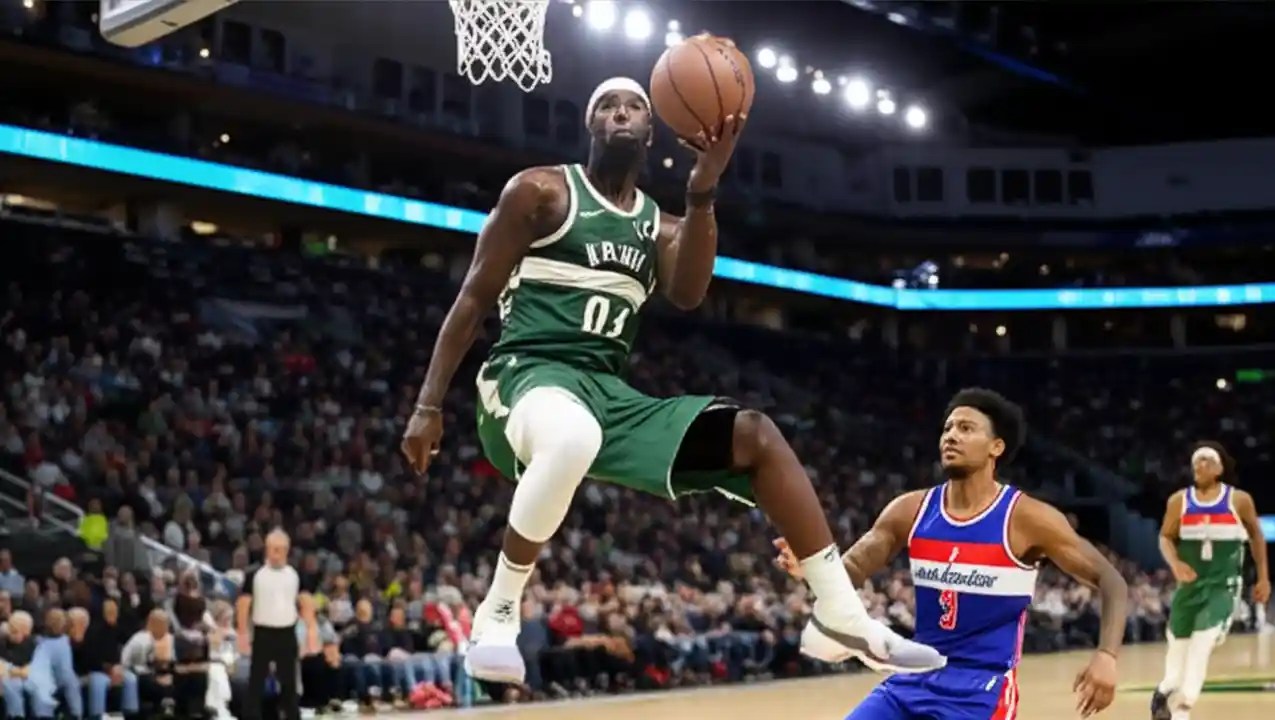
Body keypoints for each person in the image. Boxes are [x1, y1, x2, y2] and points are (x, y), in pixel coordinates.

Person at [399, 75, 945, 684]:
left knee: (754, 436)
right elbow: (473, 297)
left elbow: (688, 294)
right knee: (572, 435)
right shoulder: (540, 192)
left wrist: (703, 191)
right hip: (524, 379)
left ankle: (842, 616)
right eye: (607, 105)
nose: (621, 114)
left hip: (608, 396)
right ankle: (498, 611)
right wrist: (429, 404)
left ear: (652, 130)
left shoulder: (657, 225)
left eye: (634, 106)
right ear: (590, 125)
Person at [774, 388, 1128, 719]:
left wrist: (1107, 657)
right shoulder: (910, 510)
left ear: (996, 447)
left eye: (966, 428)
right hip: (914, 675)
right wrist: (812, 567)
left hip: (981, 688)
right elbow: (851, 570)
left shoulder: (1027, 519)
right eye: (948, 428)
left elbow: (1111, 581)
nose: (951, 436)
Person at [1151, 442, 1271, 720]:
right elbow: (1165, 537)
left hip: (1223, 585)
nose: (1199, 464)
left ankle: (1183, 709)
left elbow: (1256, 536)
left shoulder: (1239, 500)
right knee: (1176, 652)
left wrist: (1263, 577)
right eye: (1196, 461)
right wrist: (1176, 563)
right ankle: (1164, 690)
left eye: (1205, 460)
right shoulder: (1178, 501)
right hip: (1189, 587)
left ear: (1218, 468)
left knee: (1201, 643)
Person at [237, 529, 314, 720]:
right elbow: (243, 604)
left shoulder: (295, 574)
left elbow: (305, 601)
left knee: (289, 685)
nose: (276, 554)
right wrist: (242, 632)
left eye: (280, 549)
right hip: (262, 633)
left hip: (287, 633)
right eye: (273, 549)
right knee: (256, 683)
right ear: (267, 550)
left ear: (287, 551)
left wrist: (311, 629)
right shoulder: (254, 574)